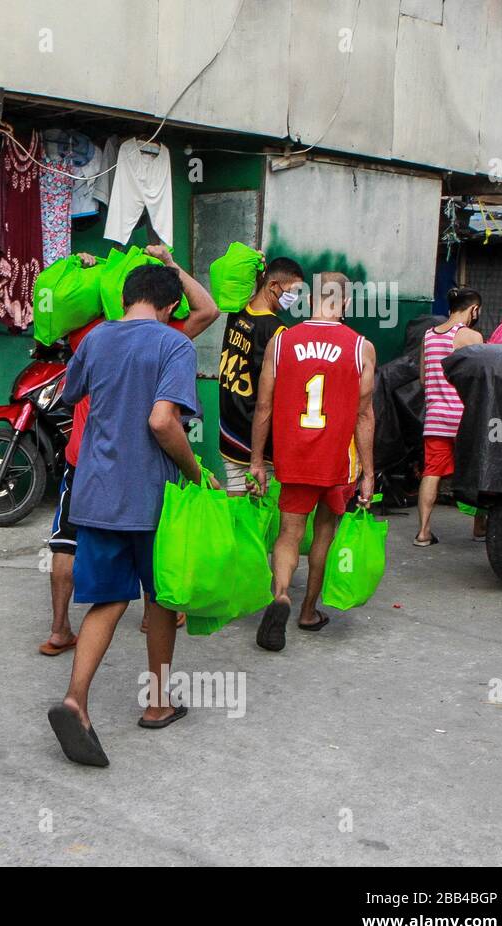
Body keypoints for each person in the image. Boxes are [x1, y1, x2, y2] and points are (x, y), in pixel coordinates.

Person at [47, 263, 212, 767]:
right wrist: (194, 470)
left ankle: (76, 700)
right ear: (167, 306)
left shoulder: (95, 339)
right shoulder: (174, 344)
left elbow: (67, 396)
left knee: (107, 602)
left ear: (125, 298)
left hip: (96, 494)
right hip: (150, 497)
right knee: (159, 599)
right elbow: (163, 421)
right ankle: (158, 703)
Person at [250, 272, 376, 651]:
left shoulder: (282, 341)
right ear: (346, 303)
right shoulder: (361, 347)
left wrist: (257, 459)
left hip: (294, 457)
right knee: (324, 533)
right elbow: (364, 416)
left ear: (311, 300)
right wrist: (369, 473)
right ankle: (307, 611)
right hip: (337, 461)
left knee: (289, 534)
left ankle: (282, 594)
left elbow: (264, 406)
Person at [217, 256, 306, 495]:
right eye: (293, 291)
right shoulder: (277, 331)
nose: (295, 298)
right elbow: (270, 399)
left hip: (228, 428)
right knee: (260, 517)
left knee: (238, 511)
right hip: (254, 438)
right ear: (274, 285)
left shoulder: (237, 311)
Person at [415, 287, 484, 546]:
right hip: (465, 418)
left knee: (431, 471)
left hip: (435, 417)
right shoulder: (470, 336)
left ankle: (423, 532)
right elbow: (481, 378)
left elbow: (423, 379)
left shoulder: (428, 336)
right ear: (473, 310)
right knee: (480, 470)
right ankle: (480, 527)